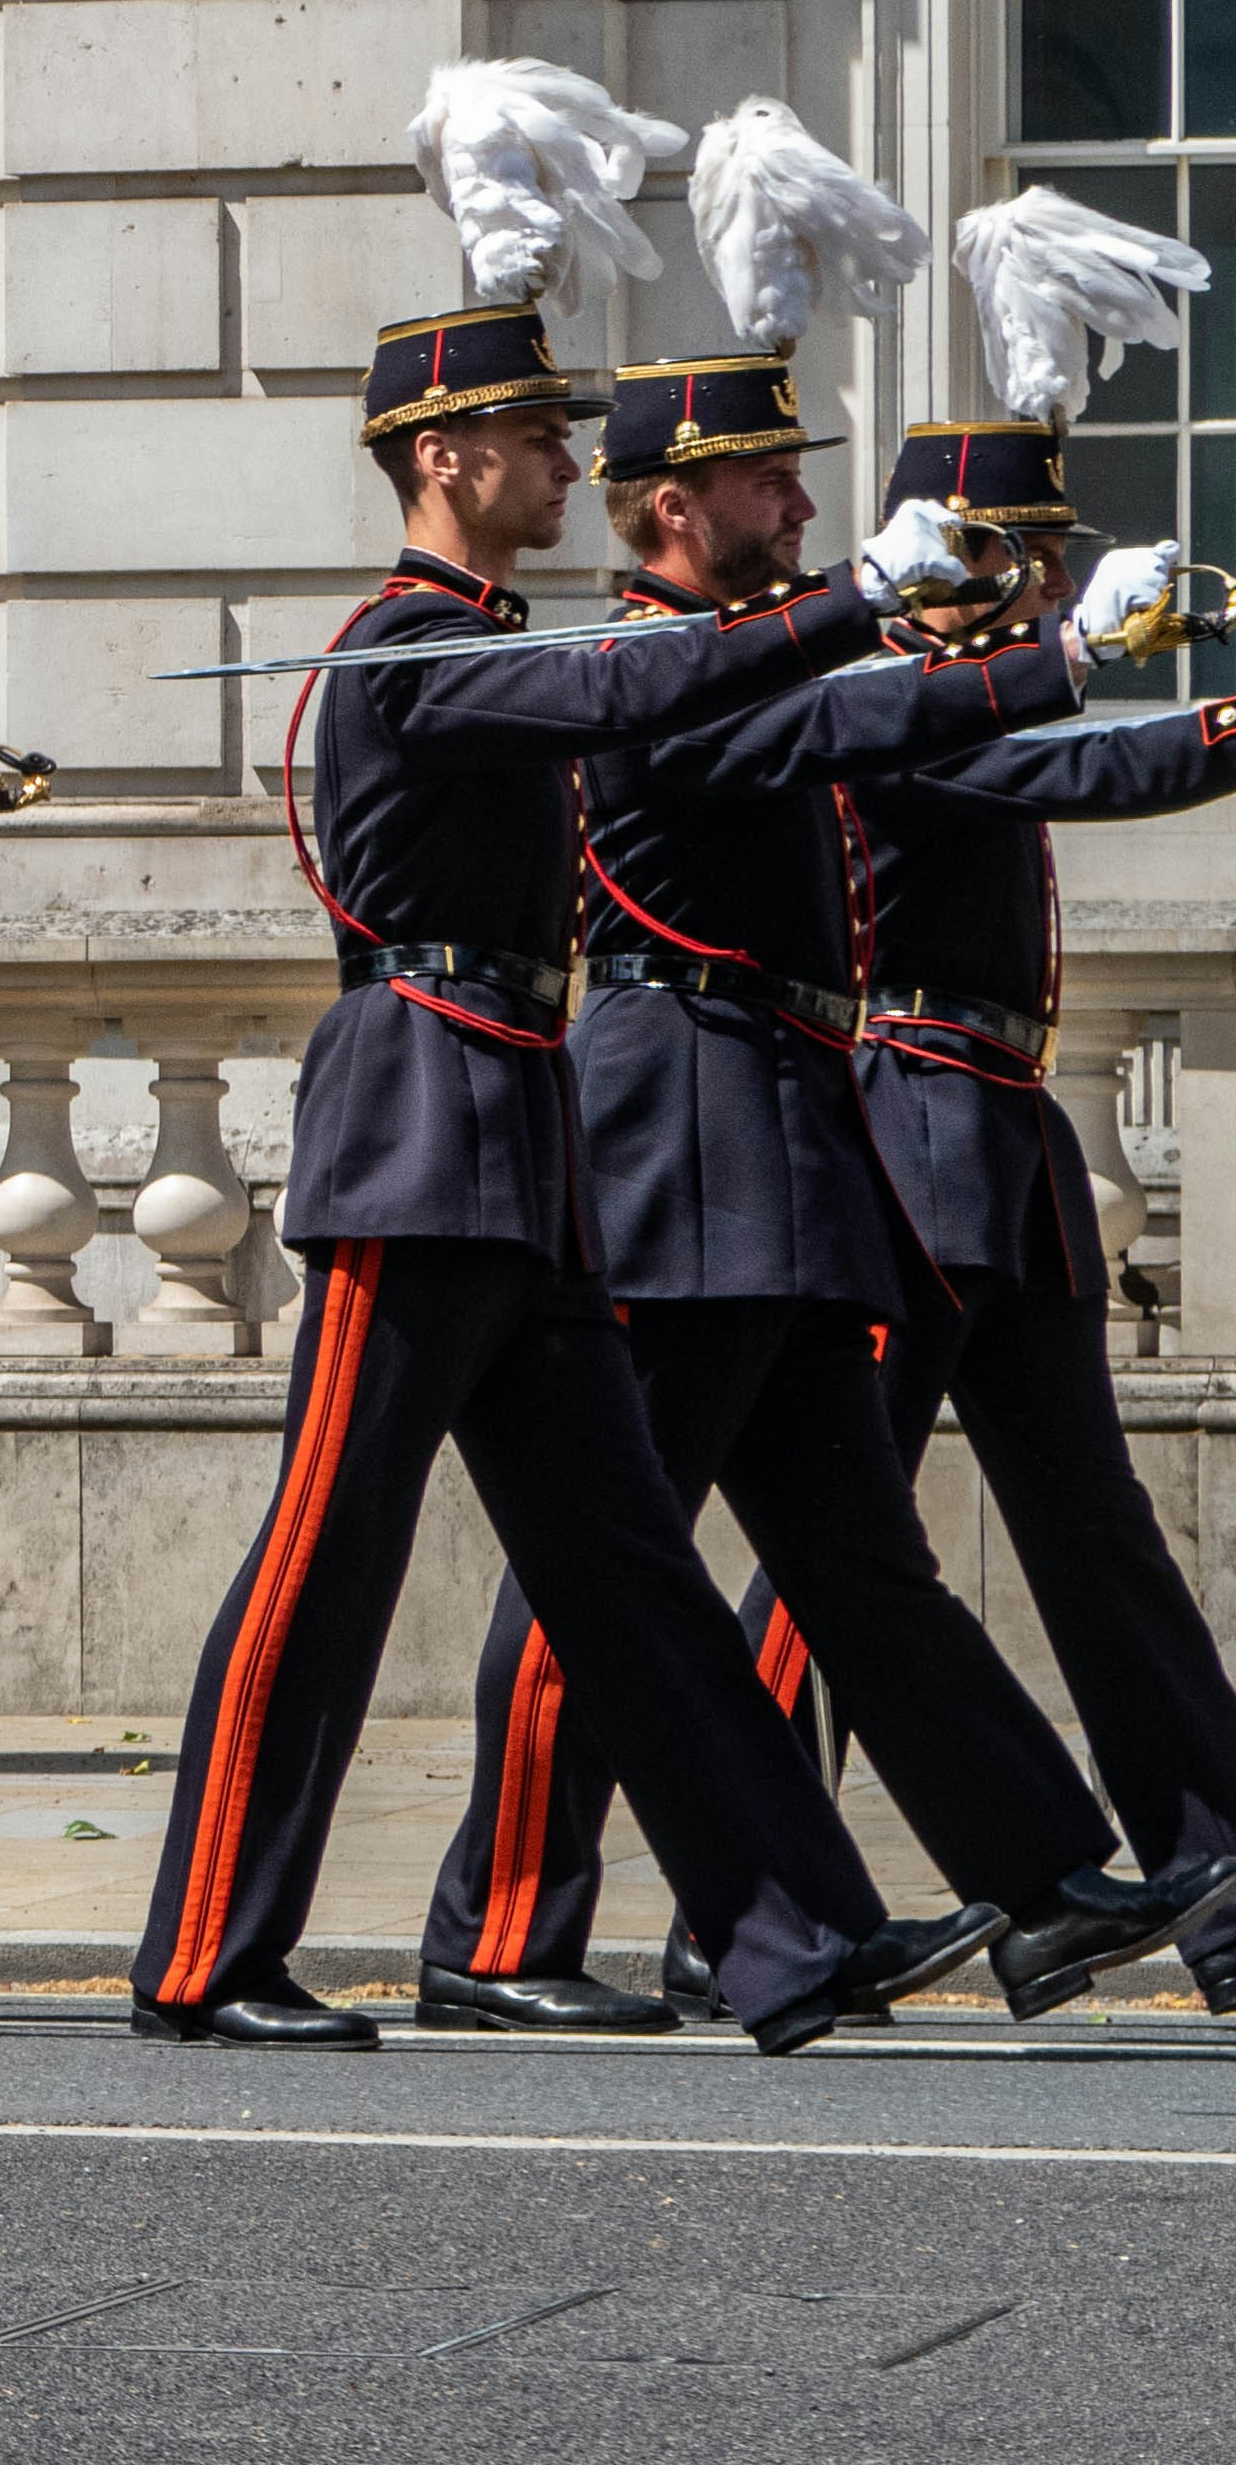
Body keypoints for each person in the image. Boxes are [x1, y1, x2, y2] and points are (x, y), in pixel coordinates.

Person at [124, 294, 1015, 2054]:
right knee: (329, 1546)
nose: (565, 463)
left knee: (627, 1569)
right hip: (415, 1129)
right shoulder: (412, 644)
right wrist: (854, 602)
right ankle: (205, 1952)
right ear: (444, 458)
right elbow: (632, 679)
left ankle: (784, 1937)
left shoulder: (483, 639)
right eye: (536, 439)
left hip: (517, 1134)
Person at [413, 369, 1226, 2029]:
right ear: (673, 509)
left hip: (784, 1123)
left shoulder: (746, 652)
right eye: (769, 485)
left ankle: (1033, 1879)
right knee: (603, 1556)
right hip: (675, 1126)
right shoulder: (647, 672)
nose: (802, 512)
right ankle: (501, 1928)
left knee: (859, 1554)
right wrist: (1048, 658)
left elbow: (871, 707)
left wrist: (1010, 650)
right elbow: (851, 726)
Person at [782, 418, 1236, 2017]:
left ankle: (1213, 1867)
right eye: (1018, 552)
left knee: (1091, 1523)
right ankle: (755, 1879)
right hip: (908, 1128)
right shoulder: (883, 697)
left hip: (1002, 1129)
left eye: (1048, 555)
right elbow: (1087, 767)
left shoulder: (966, 673)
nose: (1045, 581)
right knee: (834, 1527)